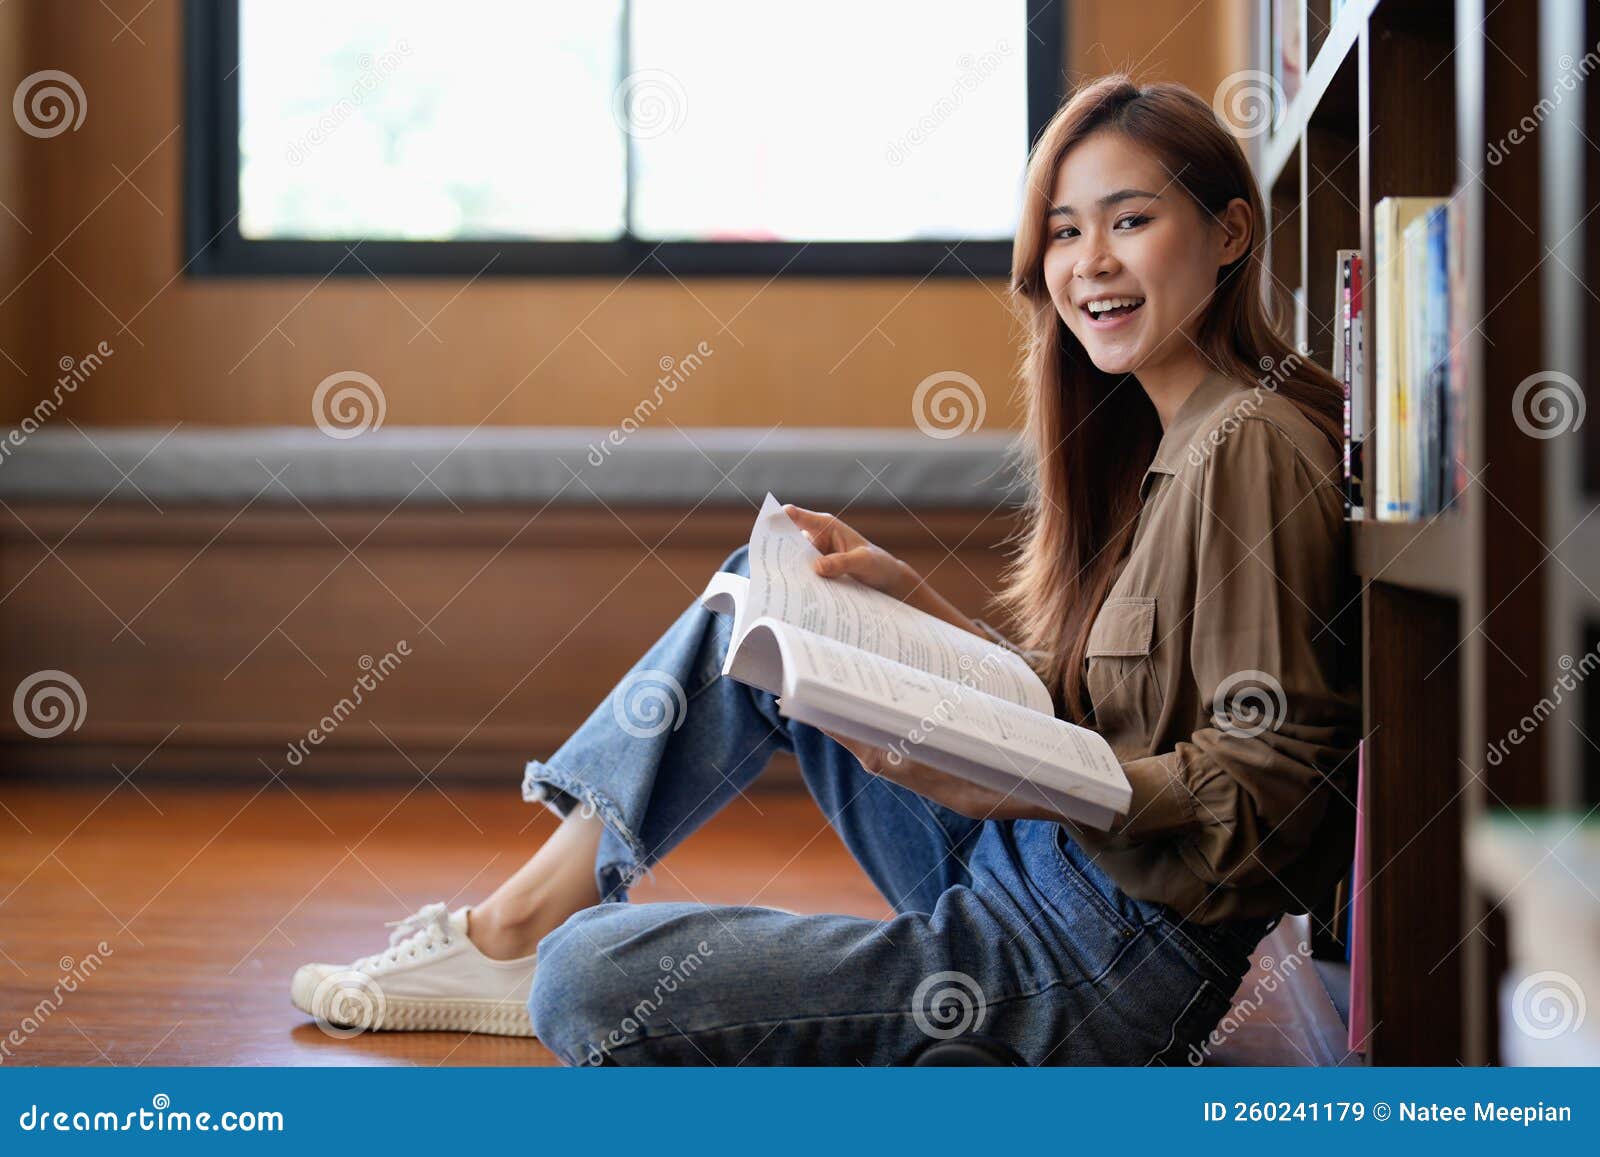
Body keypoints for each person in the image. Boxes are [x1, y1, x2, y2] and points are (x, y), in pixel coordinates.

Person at [290, 73, 1359, 1066]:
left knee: (592, 982)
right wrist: (916, 609)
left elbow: (1267, 788)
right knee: (769, 602)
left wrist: (1012, 782)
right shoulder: (1155, 439)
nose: (1090, 264)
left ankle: (536, 943)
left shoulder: (1250, 446)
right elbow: (1106, 709)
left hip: (1099, 960)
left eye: (1130, 220)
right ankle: (510, 925)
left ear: (1228, 232)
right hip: (1035, 860)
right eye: (1065, 231)